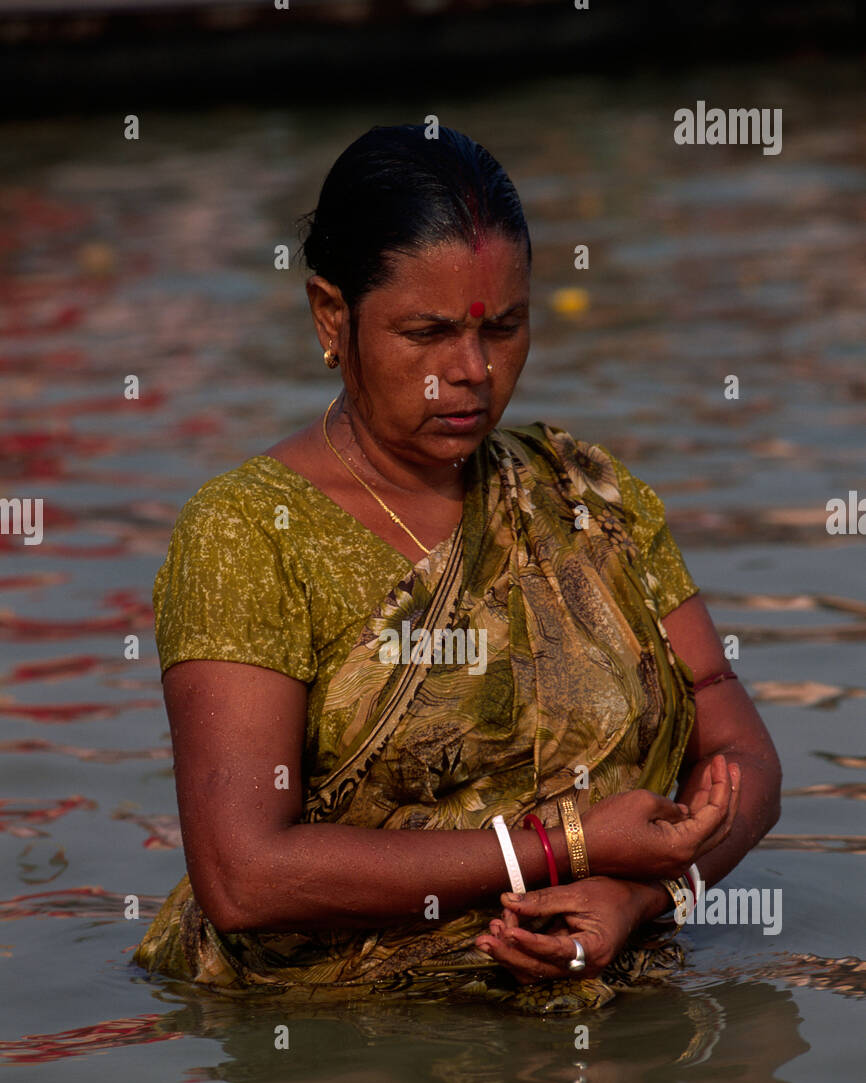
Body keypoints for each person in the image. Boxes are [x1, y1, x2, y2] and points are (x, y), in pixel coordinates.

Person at [133, 125, 781, 1013]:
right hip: (340, 1056)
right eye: (425, 333)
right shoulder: (247, 534)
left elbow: (743, 751)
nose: (470, 373)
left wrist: (641, 896)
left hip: (606, 1023)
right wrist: (565, 848)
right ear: (332, 316)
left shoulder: (591, 497)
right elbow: (244, 876)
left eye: (504, 329)